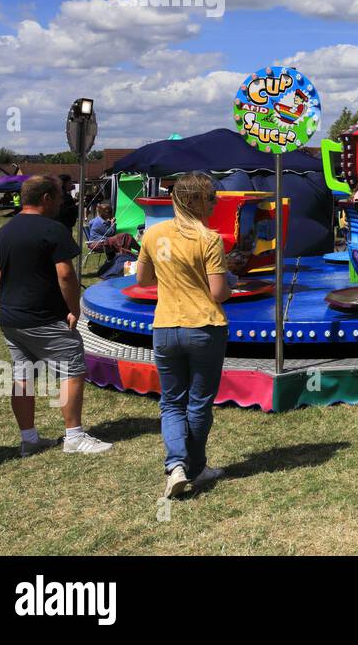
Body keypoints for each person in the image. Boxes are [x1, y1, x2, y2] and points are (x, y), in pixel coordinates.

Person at [0, 176, 113, 457]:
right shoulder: (54, 230)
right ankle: (74, 436)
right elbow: (66, 274)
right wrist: (74, 309)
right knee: (72, 369)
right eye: (59, 196)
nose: (62, 201)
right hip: (45, 318)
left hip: (12, 318)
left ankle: (29, 439)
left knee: (23, 375)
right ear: (46, 198)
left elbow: (0, 275)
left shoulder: (3, 231)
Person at [135, 172, 231, 497]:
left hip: (165, 328)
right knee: (199, 403)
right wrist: (231, 286)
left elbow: (144, 279)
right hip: (204, 326)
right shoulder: (209, 239)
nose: (216, 203)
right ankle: (196, 467)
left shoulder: (154, 233)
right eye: (212, 197)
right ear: (196, 201)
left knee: (172, 402)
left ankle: (177, 466)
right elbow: (217, 292)